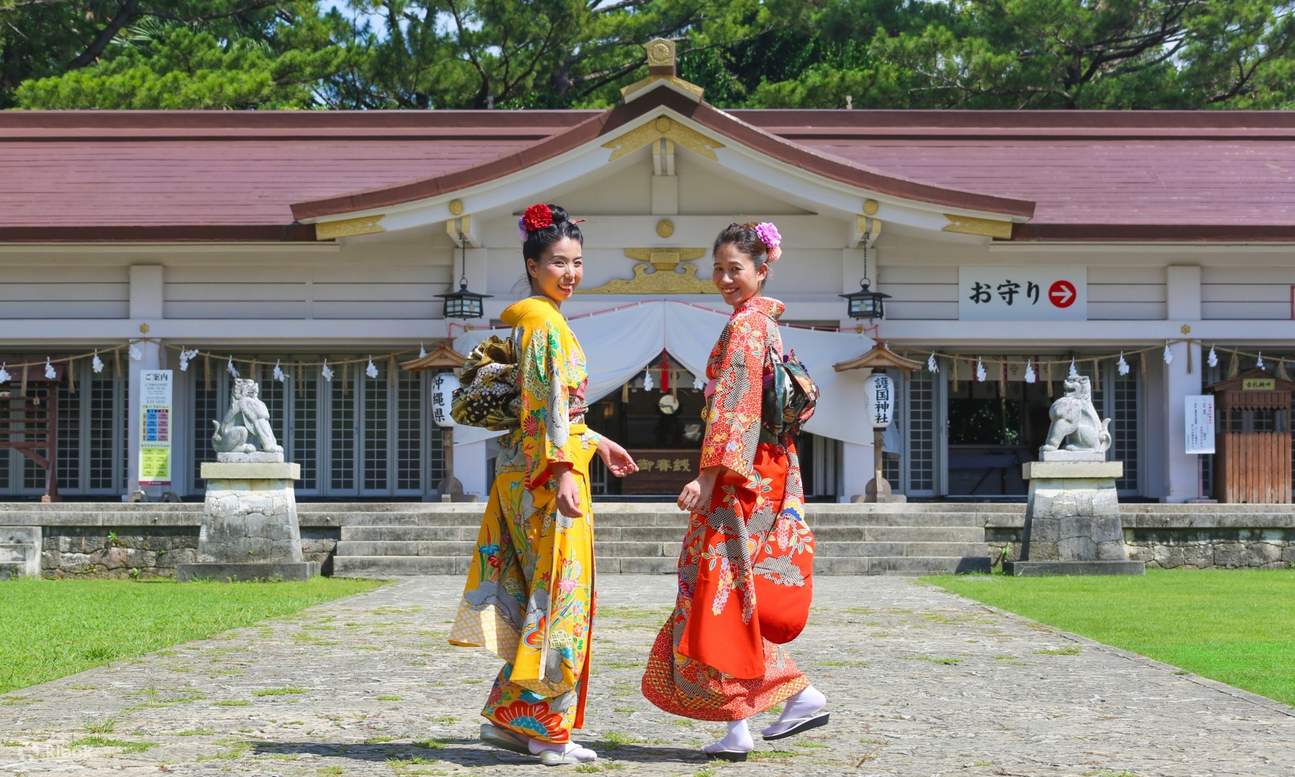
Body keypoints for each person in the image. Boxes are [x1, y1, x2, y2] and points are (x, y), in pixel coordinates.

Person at [450, 203, 638, 766]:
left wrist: (595, 440)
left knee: (543, 596)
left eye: (577, 262)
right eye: (558, 262)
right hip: (542, 478)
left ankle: (514, 718)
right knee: (561, 598)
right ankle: (546, 730)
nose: (571, 273)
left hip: (525, 471)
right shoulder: (544, 323)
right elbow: (543, 403)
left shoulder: (537, 320)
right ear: (532, 265)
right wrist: (561, 471)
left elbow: (554, 407)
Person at [641, 221, 828, 761]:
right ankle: (745, 722)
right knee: (727, 593)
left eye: (736, 269)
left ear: (761, 271)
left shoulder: (747, 328)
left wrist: (708, 474)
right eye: (718, 269)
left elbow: (736, 407)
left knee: (718, 591)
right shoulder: (764, 326)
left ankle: (794, 697)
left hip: (738, 479)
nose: (724, 278)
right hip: (764, 472)